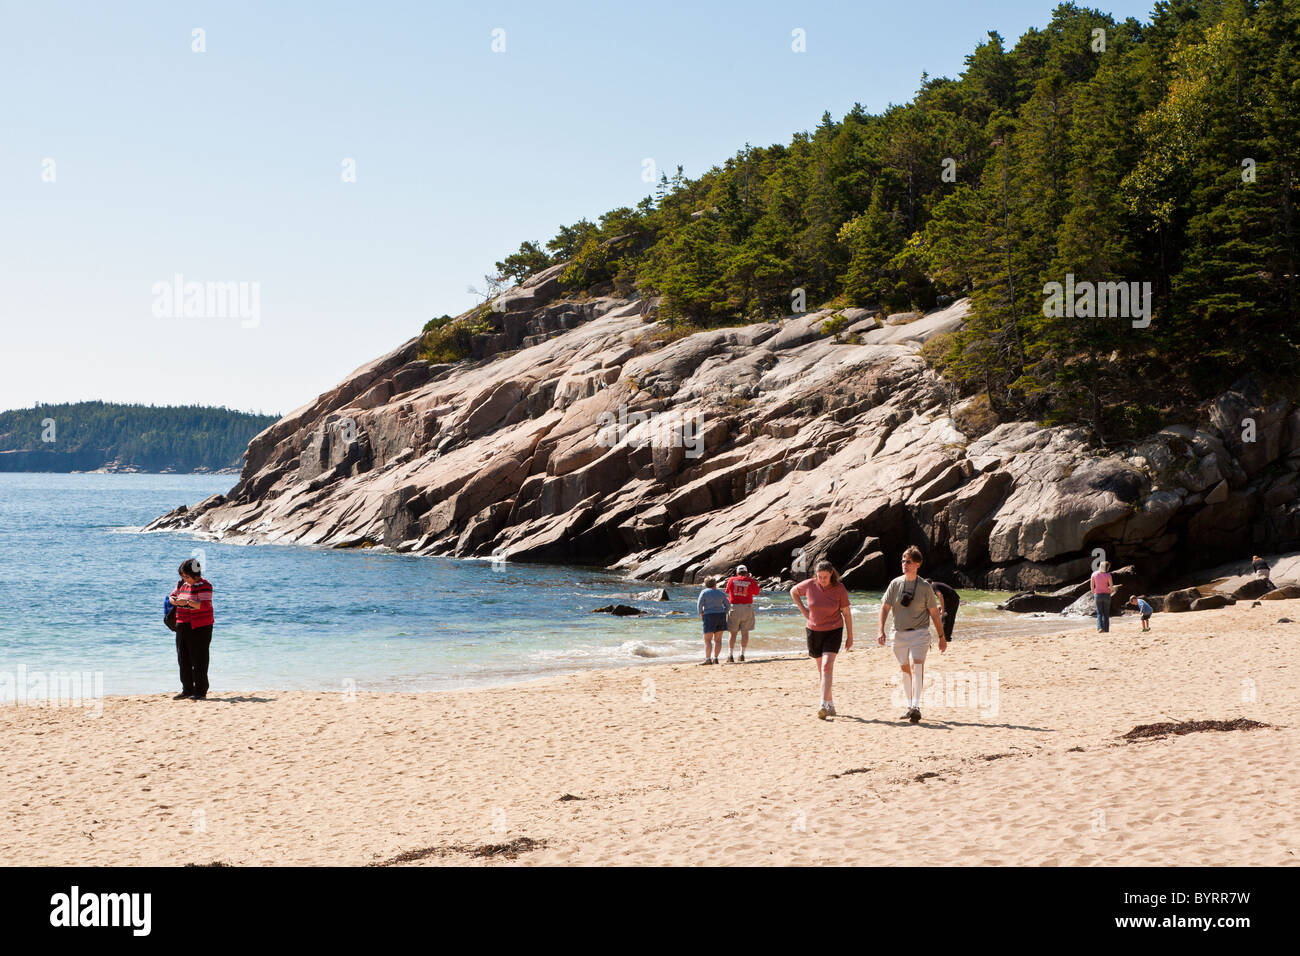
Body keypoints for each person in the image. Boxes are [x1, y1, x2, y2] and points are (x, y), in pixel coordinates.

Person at [878, 546, 945, 724]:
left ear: (917, 564)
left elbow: (934, 613)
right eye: (902, 561)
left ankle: (916, 706)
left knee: (918, 667)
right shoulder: (895, 584)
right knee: (905, 669)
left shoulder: (925, 587)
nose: (904, 564)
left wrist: (941, 636)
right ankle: (909, 706)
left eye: (908, 561)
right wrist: (880, 630)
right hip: (898, 633)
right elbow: (884, 608)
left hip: (920, 634)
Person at [791, 560, 853, 719]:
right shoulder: (810, 584)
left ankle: (823, 704)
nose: (822, 580)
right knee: (822, 671)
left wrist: (850, 636)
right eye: (819, 577)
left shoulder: (839, 588)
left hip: (834, 630)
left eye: (825, 577)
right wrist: (804, 611)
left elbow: (846, 613)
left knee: (826, 667)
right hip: (814, 631)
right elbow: (793, 591)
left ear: (831, 573)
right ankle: (830, 703)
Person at [169, 558, 214, 700]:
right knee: (183, 659)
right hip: (182, 623)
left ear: (196, 575)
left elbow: (205, 605)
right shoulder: (182, 584)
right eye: (182, 576)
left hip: (201, 626)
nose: (184, 579)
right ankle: (187, 689)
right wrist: (174, 600)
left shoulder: (205, 585)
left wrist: (187, 602)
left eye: (187, 576)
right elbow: (171, 596)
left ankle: (200, 691)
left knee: (199, 659)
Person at [724, 564, 760, 663]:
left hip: (734, 607)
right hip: (747, 607)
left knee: (732, 633)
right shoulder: (751, 581)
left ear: (737, 572)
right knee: (745, 632)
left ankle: (730, 655)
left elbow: (727, 591)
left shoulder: (731, 580)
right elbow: (756, 592)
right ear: (746, 572)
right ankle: (742, 654)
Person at [697, 576, 729, 665]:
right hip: (720, 616)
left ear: (706, 584)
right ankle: (716, 658)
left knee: (707, 640)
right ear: (715, 584)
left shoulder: (704, 592)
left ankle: (708, 659)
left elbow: (699, 605)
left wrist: (701, 613)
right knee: (718, 640)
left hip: (709, 616)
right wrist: (724, 612)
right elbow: (728, 605)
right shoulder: (720, 593)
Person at [1090, 561, 1114, 633]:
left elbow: (1092, 586)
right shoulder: (1108, 575)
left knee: (1099, 613)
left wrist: (1094, 592)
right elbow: (1111, 585)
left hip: (1098, 595)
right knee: (1106, 613)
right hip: (1106, 595)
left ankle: (1100, 628)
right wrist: (1110, 591)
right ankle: (1106, 630)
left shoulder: (1094, 574)